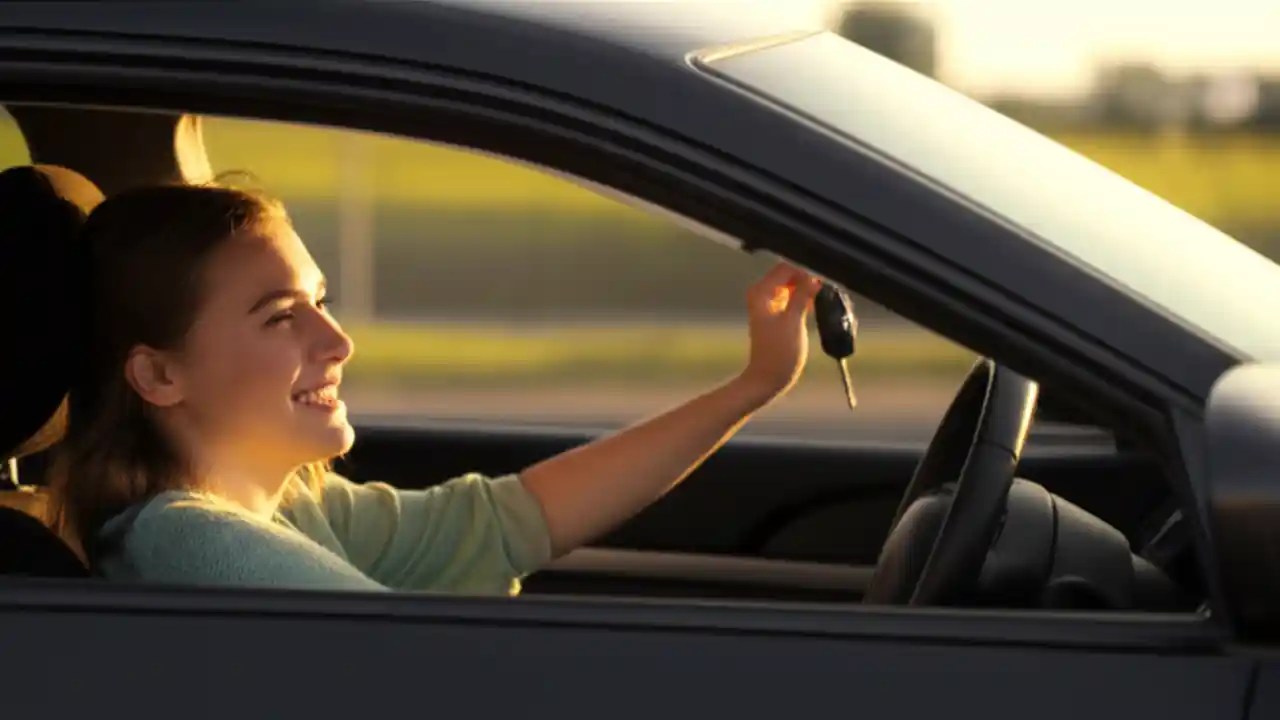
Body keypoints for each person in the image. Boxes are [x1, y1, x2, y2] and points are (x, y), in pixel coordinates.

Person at [50, 183, 827, 595]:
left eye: (321, 302)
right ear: (158, 375)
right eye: (281, 318)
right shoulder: (186, 541)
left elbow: (507, 521)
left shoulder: (292, 510)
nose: (338, 342)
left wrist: (752, 385)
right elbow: (430, 671)